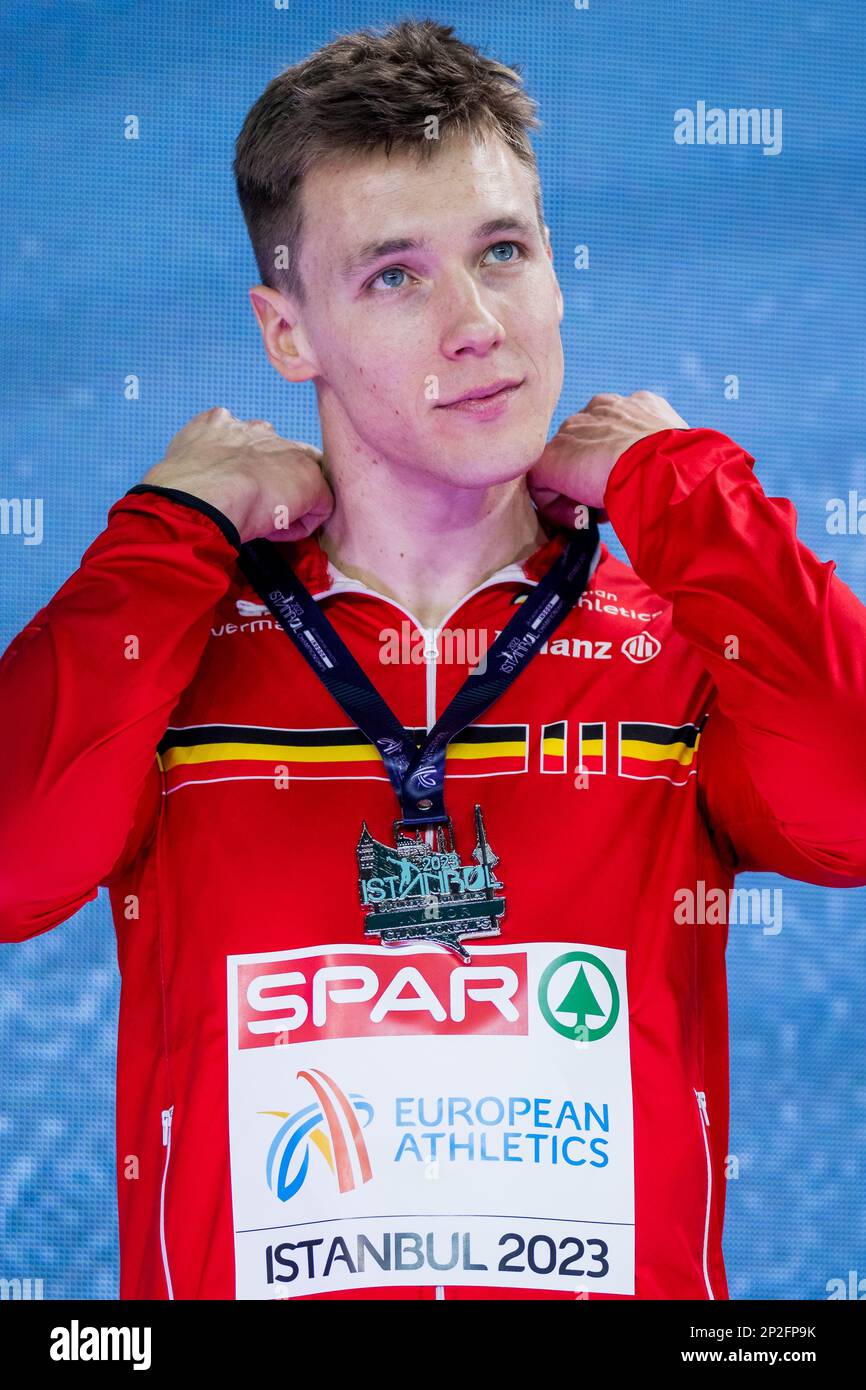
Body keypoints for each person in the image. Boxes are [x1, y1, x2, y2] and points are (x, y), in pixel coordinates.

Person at [1, 18, 865, 1303]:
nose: (475, 324)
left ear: (554, 272)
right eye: (393, 275)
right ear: (286, 334)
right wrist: (170, 531)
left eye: (502, 252)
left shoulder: (676, 641)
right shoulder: (179, 640)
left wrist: (679, 486)